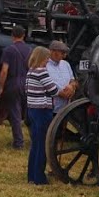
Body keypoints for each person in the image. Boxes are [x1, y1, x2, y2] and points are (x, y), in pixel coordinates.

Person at [25, 46, 60, 185]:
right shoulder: (42, 72)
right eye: (46, 59)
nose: (47, 62)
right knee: (42, 145)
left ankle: (31, 176)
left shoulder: (30, 72)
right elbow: (54, 90)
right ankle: (39, 177)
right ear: (42, 58)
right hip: (42, 111)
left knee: (35, 145)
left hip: (32, 109)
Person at [0, 25, 31, 149]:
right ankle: (34, 140)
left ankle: (19, 143)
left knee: (15, 115)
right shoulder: (29, 49)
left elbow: (4, 70)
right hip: (28, 83)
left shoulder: (9, 50)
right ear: (23, 35)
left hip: (14, 83)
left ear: (12, 36)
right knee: (30, 114)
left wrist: (1, 87)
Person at [45, 40, 78, 115]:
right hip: (50, 107)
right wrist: (60, 93)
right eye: (62, 53)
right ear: (52, 52)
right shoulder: (45, 65)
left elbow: (73, 80)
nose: (64, 55)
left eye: (65, 53)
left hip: (64, 107)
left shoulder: (66, 64)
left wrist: (71, 87)